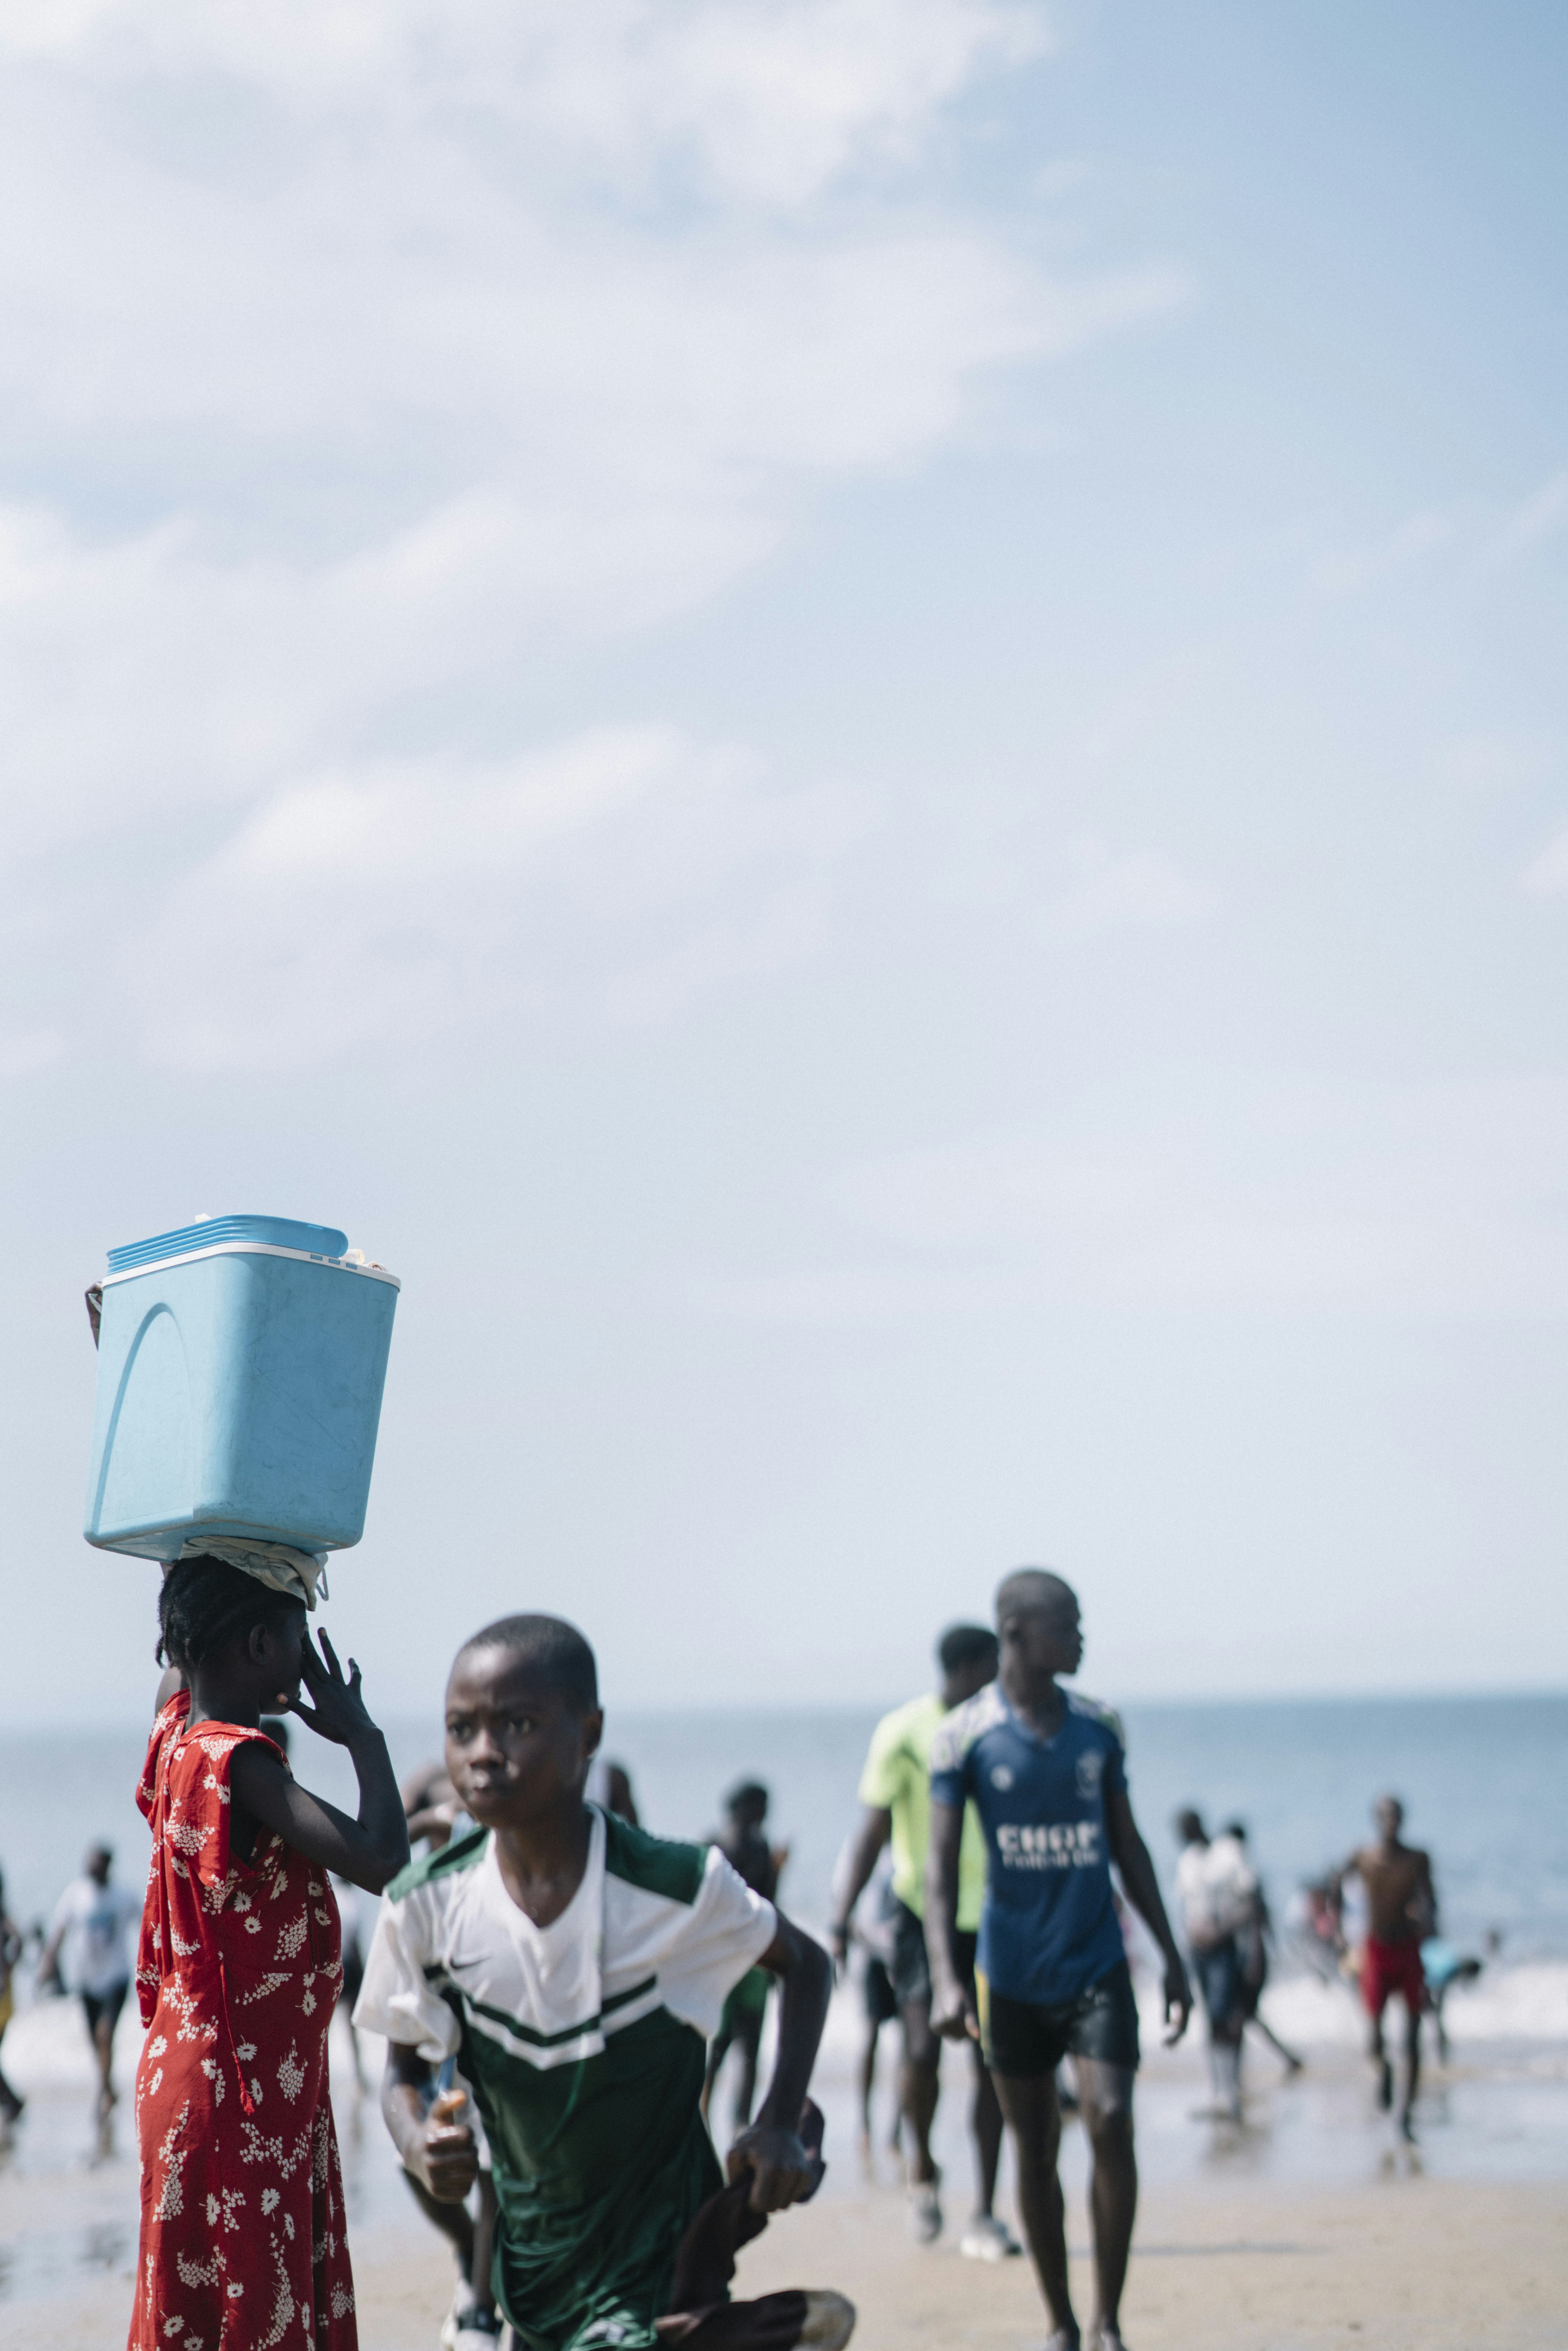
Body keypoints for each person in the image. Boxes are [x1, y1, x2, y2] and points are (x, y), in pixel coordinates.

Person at [355, 1613, 854, 2351]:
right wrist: (417, 2139)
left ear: (587, 1734)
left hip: (663, 2244)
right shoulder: (423, 1905)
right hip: (531, 2267)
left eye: (516, 1725)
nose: (483, 1755)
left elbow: (805, 1963)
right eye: (461, 1730)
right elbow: (403, 2066)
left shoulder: (675, 1887)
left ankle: (740, 2332)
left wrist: (779, 2117)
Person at [127, 1552, 410, 2351]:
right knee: (252, 2312)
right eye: (298, 1638)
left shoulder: (174, 1731)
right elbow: (383, 1859)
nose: (307, 1657)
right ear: (258, 1646)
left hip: (199, 2069)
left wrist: (197, 1568)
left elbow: (182, 1662)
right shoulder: (240, 1761)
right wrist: (360, 1731)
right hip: (237, 2091)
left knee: (204, 2307)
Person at [927, 1569, 1191, 2351]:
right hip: (1009, 1976)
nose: (1081, 1638)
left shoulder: (1100, 1727)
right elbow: (943, 1874)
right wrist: (947, 1976)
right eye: (1067, 1625)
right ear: (1016, 1634)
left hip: (1096, 1966)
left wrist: (1170, 1952)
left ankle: (1109, 2321)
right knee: (1034, 2148)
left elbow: (1128, 1845)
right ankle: (1061, 2324)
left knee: (1111, 2119)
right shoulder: (964, 1737)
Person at [827, 1624, 1017, 2258]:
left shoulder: (1002, 1726)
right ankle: (923, 2170)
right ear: (967, 1666)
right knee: (921, 2049)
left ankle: (986, 2209)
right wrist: (838, 1918)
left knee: (995, 2062)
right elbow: (871, 1831)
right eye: (992, 1665)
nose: (1000, 1676)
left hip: (994, 1915)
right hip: (920, 1912)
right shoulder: (903, 1731)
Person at [1333, 1796, 1436, 2140]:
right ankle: (1386, 2072)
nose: (1391, 1821)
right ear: (1377, 1820)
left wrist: (1426, 1919)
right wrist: (1337, 1933)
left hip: (1408, 1948)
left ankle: (1405, 2114)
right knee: (1374, 2040)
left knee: (1412, 2034)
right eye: (1386, 1816)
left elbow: (1431, 1900)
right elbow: (1332, 1886)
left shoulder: (1417, 1859)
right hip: (1377, 1949)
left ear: (1403, 1820)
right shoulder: (1364, 1857)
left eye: (1396, 1815)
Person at [702, 1782, 787, 2136]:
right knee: (747, 2048)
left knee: (720, 2046)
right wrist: (778, 1867)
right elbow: (767, 1904)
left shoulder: (713, 1845)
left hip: (722, 1961)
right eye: (763, 1806)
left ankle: (708, 2108)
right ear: (749, 1807)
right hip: (750, 1959)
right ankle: (739, 2120)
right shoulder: (753, 1846)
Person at [39, 1842, 141, 2119]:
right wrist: (48, 1964)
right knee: (96, 2042)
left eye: (97, 1863)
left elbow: (147, 1924)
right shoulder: (75, 1894)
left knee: (104, 2035)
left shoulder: (123, 1897)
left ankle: (102, 2095)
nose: (91, 1867)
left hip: (116, 1978)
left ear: (108, 1865)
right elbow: (59, 1931)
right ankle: (108, 2089)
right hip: (85, 1980)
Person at [1172, 1811, 1261, 2121]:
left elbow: (1252, 1901)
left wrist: (1223, 1931)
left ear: (1198, 1824)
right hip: (1198, 1950)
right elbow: (1185, 1907)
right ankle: (1216, 2091)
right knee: (1211, 2017)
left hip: (1225, 1946)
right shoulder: (1187, 1860)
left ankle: (1230, 2091)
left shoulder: (1228, 1852)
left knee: (1226, 2014)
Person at [1220, 1821, 1302, 2078]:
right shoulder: (1241, 1873)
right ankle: (1282, 2061)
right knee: (1246, 2015)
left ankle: (1239, 2075)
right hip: (1248, 1955)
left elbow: (1258, 1917)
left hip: (1251, 1956)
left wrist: (1258, 1957)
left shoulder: (1245, 1874)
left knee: (1241, 2015)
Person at [0, 1868, 24, 2124]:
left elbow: (19, 1941)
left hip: (2, 1998)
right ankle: (12, 2103)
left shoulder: (4, 1918)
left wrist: (7, 1972)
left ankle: (14, 2104)